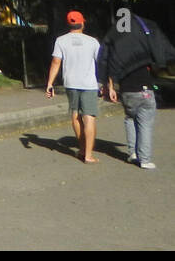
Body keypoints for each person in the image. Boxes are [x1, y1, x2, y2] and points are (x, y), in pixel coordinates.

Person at [100, 10, 175, 170]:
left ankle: (132, 152)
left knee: (130, 118)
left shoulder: (114, 37)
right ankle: (145, 158)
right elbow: (163, 50)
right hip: (144, 89)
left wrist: (110, 87)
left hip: (126, 90)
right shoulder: (143, 33)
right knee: (145, 122)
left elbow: (108, 60)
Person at [46, 11, 102, 164]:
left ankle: (82, 149)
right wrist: (104, 83)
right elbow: (101, 63)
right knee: (89, 117)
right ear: (83, 23)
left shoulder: (61, 41)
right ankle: (89, 155)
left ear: (68, 24)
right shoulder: (93, 42)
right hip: (89, 84)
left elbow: (56, 62)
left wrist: (50, 83)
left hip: (70, 83)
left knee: (75, 115)